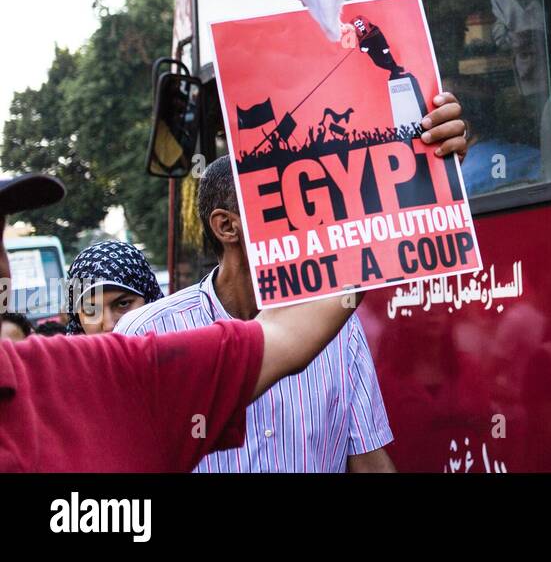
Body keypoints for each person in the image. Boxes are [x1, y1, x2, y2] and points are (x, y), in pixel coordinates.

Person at [116, 90, 470, 473]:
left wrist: (425, 164)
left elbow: (368, 463)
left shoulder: (339, 329)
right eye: (280, 199)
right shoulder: (147, 336)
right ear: (226, 226)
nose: (308, 214)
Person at [0, 172, 366, 472]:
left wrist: (392, 213)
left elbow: (280, 336)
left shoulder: (89, 368)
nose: (109, 323)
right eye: (90, 309)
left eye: (0, 239)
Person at [64, 239, 164, 335]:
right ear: (77, 319)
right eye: (91, 310)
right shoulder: (66, 352)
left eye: (123, 304)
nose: (109, 326)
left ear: (149, 299)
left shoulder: (176, 348)